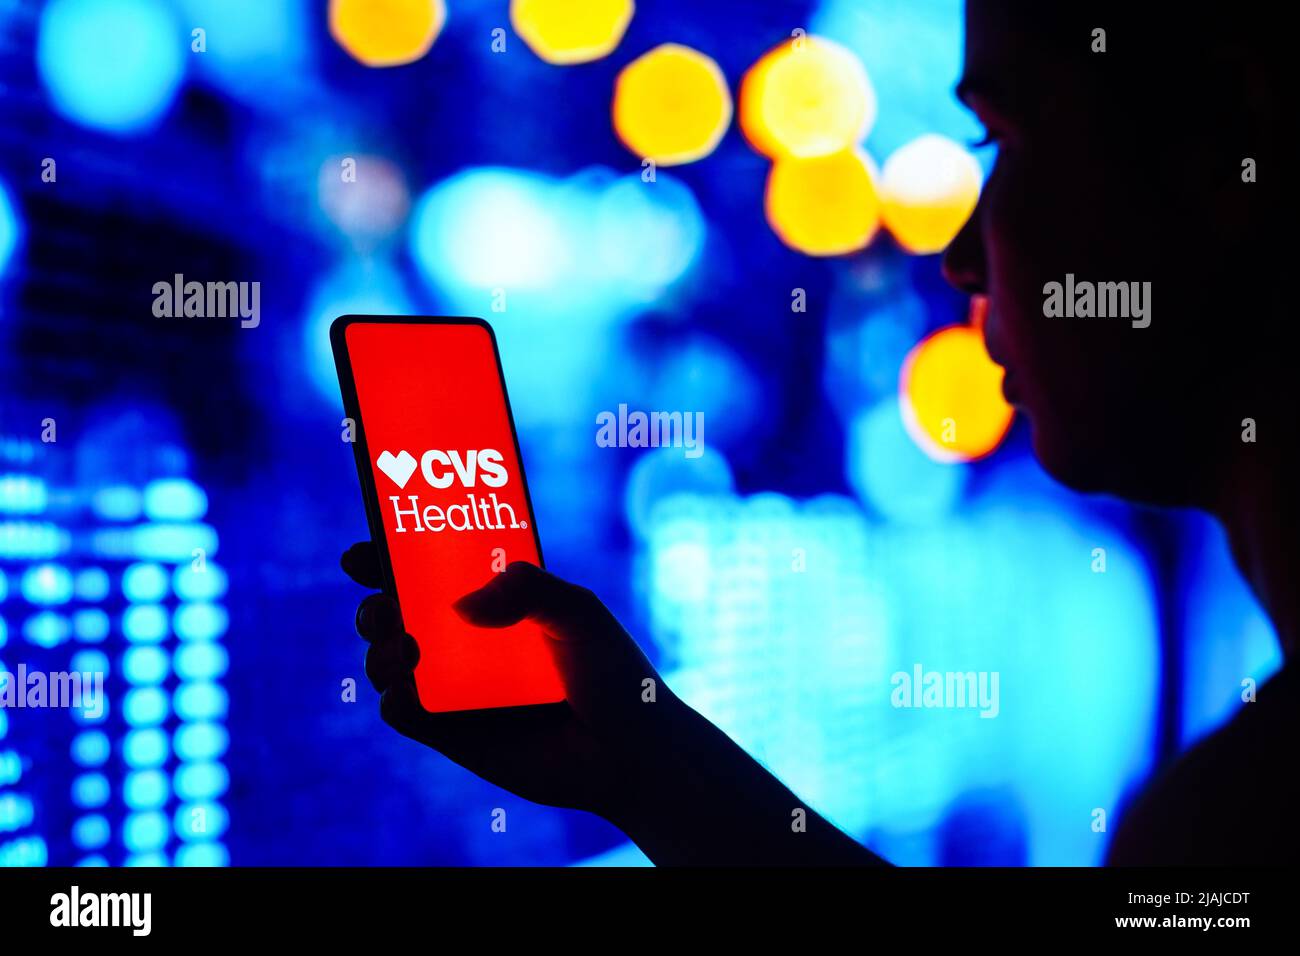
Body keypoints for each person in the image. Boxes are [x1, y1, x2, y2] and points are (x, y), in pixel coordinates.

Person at [342, 1, 1297, 865]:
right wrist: (641, 765)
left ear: (1221, 151)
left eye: (1003, 139)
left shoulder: (1233, 830)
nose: (962, 258)